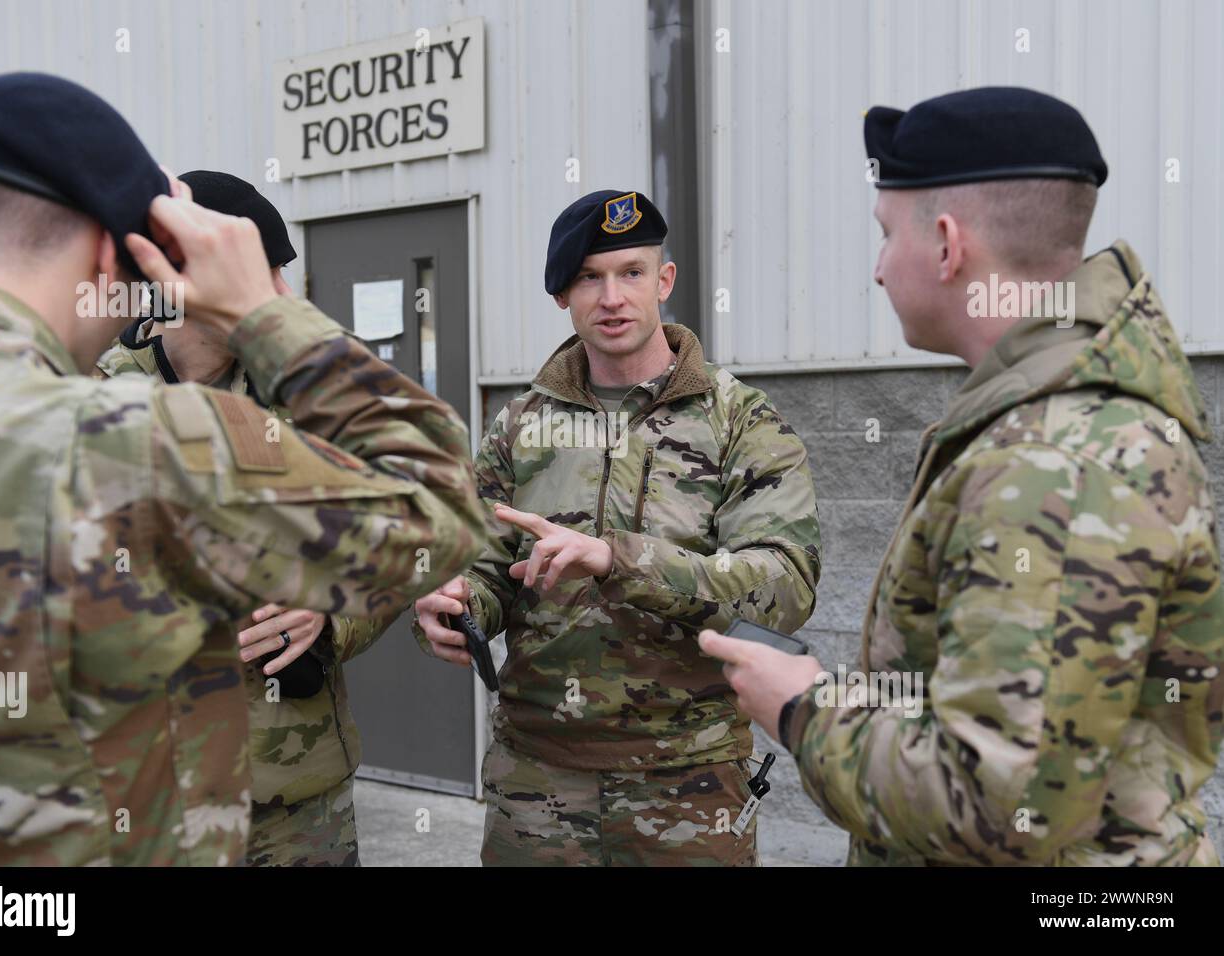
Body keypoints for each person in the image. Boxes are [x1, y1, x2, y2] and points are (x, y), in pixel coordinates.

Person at [0, 73, 485, 865]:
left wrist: (330, 618)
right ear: (116, 254)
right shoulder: (153, 434)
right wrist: (270, 317)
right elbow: (443, 501)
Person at [701, 87, 1224, 866]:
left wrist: (802, 711)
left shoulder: (1050, 466)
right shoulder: (1046, 422)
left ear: (947, 244)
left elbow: (995, 803)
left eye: (885, 236)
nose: (878, 270)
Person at [414, 189, 821, 866]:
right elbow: (483, 561)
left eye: (631, 273)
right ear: (561, 297)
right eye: (588, 278)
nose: (611, 297)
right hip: (537, 778)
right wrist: (456, 603)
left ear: (664, 280)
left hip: (688, 785)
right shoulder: (520, 425)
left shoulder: (740, 421)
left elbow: (784, 586)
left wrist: (617, 560)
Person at [97, 169, 390, 866]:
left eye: (283, 277)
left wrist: (333, 614)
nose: (284, 300)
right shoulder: (88, 396)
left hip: (296, 797)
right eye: (262, 276)